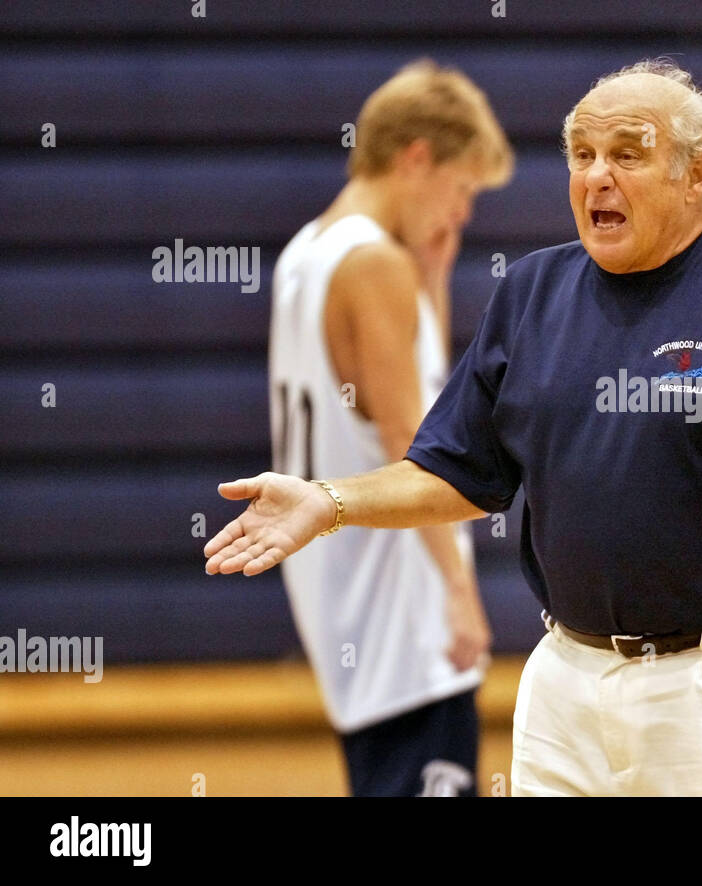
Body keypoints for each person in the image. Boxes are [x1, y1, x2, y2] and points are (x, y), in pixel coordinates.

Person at [206, 59, 702, 797]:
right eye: (581, 155)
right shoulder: (530, 292)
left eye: (627, 153)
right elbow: (457, 471)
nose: (596, 177)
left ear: (698, 175)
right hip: (569, 687)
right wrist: (327, 501)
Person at [267, 59, 512, 796]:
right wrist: (459, 591)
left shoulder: (308, 250)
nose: (464, 213)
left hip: (347, 611)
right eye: (462, 188)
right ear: (416, 159)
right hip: (406, 624)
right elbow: (418, 446)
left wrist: (433, 280)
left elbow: (401, 397)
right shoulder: (375, 266)